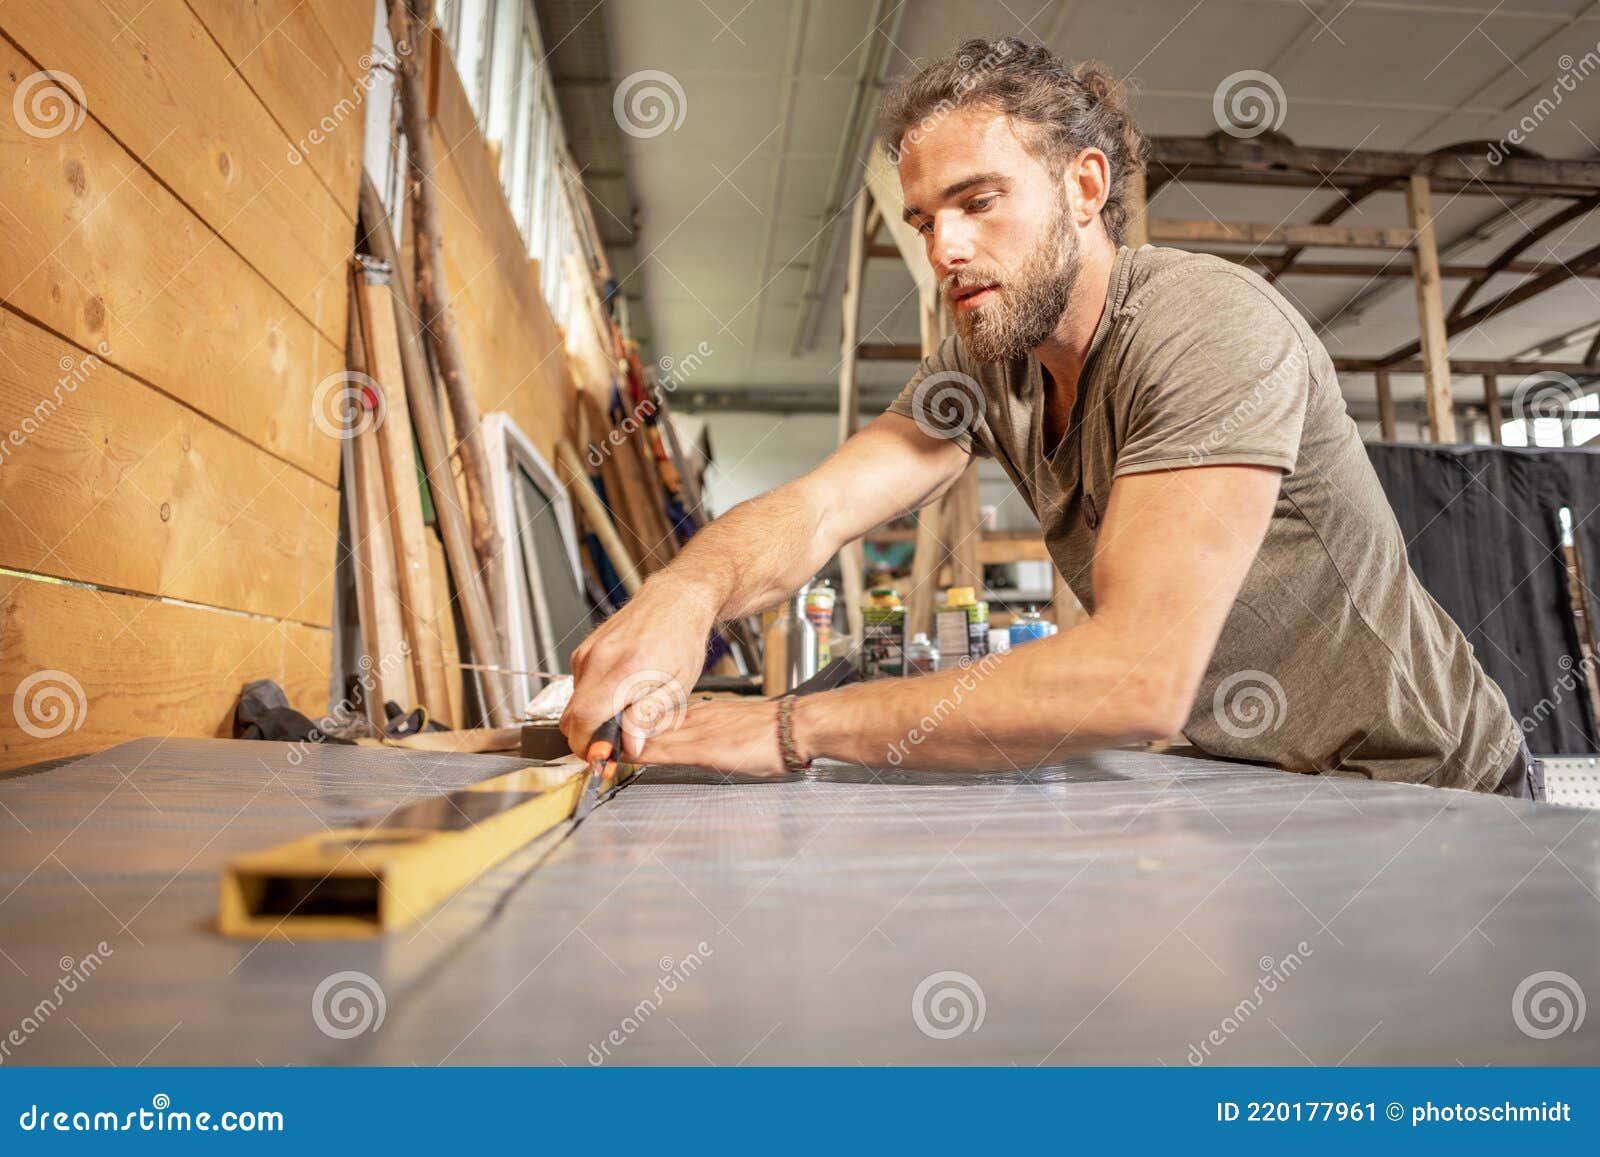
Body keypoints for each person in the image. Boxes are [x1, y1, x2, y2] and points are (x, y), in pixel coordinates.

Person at [562, 37, 1538, 799]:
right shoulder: (988, 370)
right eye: (923, 221)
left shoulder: (1203, 328)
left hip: (1434, 792)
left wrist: (789, 726)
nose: (944, 246)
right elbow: (820, 509)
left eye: (978, 202)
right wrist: (683, 595)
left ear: (1083, 187)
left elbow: (1134, 675)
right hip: (1269, 784)